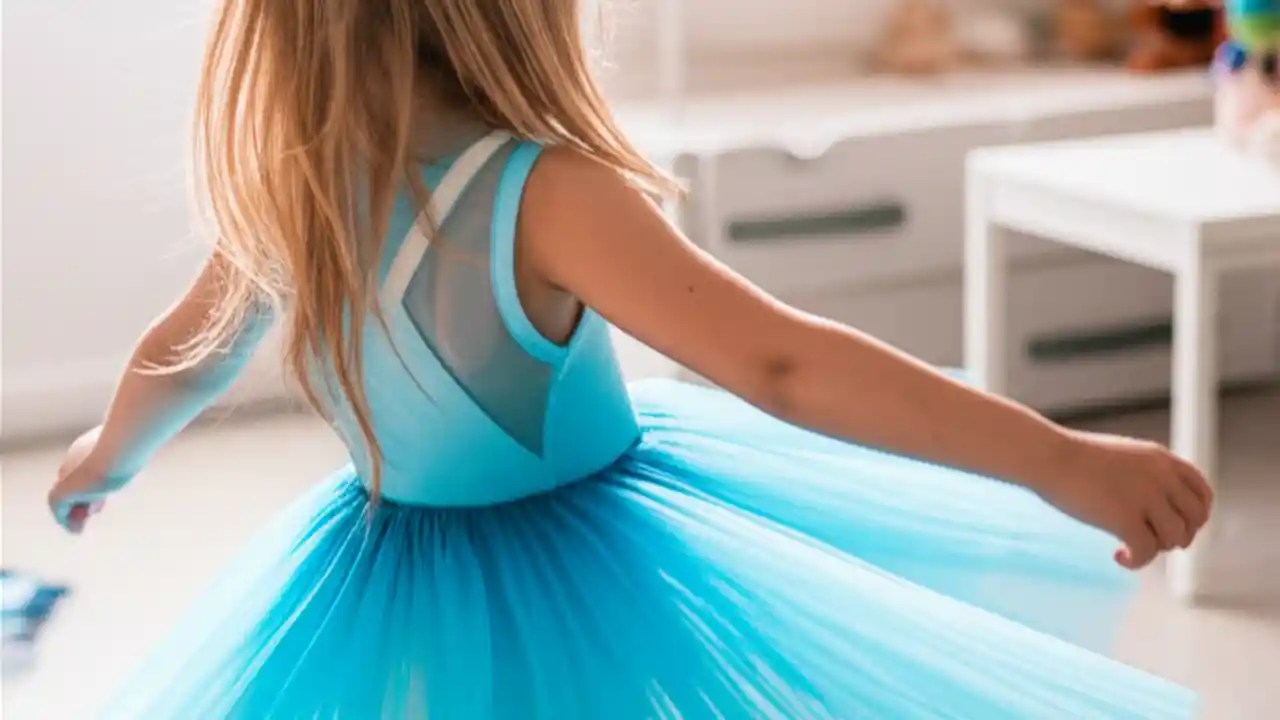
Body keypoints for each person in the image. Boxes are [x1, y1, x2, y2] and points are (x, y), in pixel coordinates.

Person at [48, 1, 1209, 717]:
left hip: (384, 570)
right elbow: (780, 365)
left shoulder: (293, 188)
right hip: (585, 564)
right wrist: (1056, 458)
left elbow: (188, 356)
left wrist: (107, 456)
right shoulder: (544, 190)